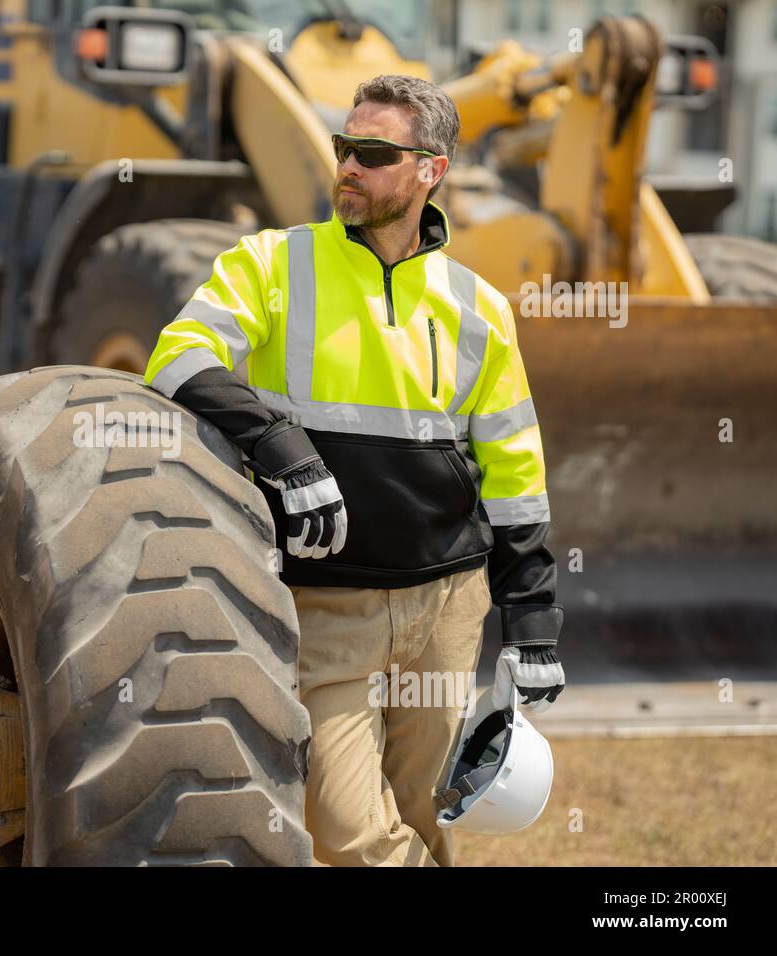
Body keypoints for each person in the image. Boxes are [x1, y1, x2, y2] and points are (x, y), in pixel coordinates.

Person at [143, 75, 565, 866]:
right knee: (344, 832)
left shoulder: (479, 307)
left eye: (373, 154)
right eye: (345, 148)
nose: (348, 167)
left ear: (430, 170)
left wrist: (533, 623)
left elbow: (514, 470)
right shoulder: (271, 263)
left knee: (424, 822)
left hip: (446, 608)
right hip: (326, 612)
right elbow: (176, 359)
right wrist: (281, 444)